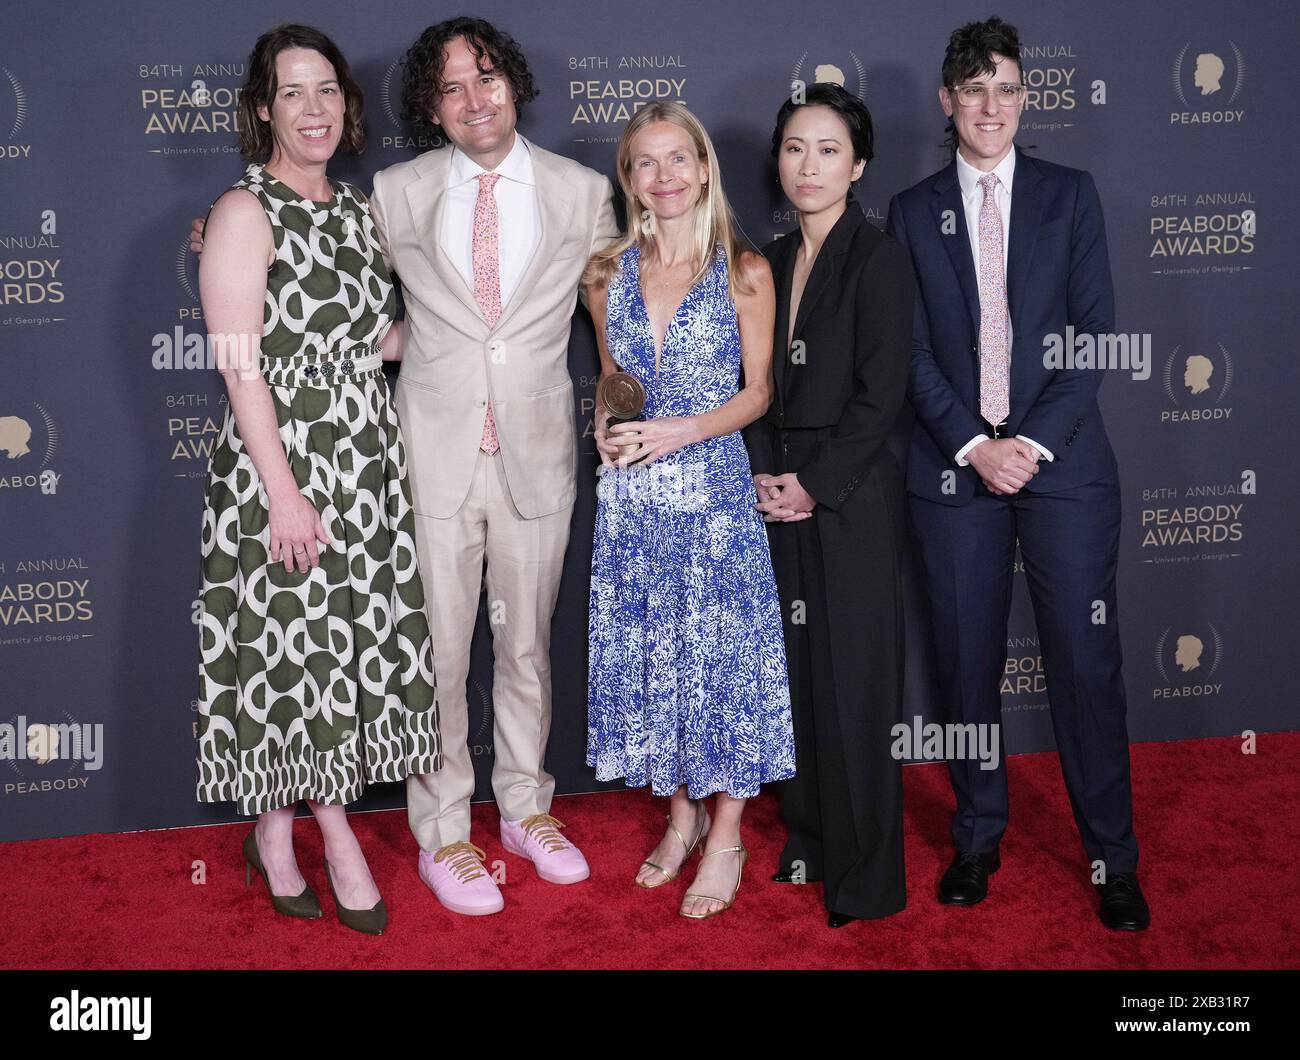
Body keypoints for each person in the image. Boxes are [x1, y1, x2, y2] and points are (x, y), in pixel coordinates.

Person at [886, 16, 1149, 931]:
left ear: (1025, 96)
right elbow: (910, 352)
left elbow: (1094, 335)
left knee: (1086, 664)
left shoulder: (1070, 195)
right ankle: (976, 835)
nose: (989, 106)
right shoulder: (914, 211)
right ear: (948, 102)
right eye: (973, 90)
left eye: (1006, 88)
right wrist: (973, 445)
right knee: (964, 667)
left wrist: (1027, 444)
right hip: (955, 471)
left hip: (1063, 465)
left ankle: (1113, 855)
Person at [195, 24, 441, 936]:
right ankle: (334, 834)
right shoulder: (240, 210)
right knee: (293, 652)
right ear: (263, 107)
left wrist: (467, 314)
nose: (314, 109)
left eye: (327, 90)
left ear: (347, 103)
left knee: (330, 650)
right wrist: (283, 490)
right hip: (284, 462)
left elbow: (377, 339)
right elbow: (237, 364)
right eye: (293, 92)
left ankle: (272, 830)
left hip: (364, 457)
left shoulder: (355, 209)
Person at [583, 101, 795, 920]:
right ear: (629, 178)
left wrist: (683, 432)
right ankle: (680, 818)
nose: (664, 176)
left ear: (704, 168)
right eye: (646, 162)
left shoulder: (745, 269)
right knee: (656, 663)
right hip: (633, 506)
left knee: (722, 667)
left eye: (679, 159)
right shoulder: (604, 273)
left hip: (712, 498)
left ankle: (728, 834)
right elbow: (611, 382)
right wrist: (606, 429)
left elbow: (760, 392)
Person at [742, 83, 913, 928]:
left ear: (859, 166)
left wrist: (815, 484)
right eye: (795, 148)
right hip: (775, 485)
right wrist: (771, 480)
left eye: (829, 150)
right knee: (798, 680)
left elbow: (882, 399)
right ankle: (807, 836)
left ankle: (869, 877)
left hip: (846, 494)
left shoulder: (878, 257)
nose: (809, 166)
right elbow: (757, 387)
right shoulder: (767, 262)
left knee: (857, 685)